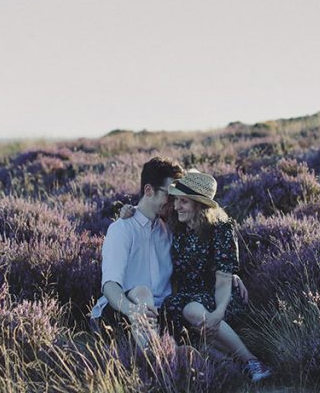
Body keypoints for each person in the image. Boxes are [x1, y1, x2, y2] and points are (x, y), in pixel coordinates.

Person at [118, 169, 272, 383]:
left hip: (218, 297)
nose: (177, 206)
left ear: (200, 206)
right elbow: (145, 210)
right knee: (182, 324)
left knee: (193, 311)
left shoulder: (221, 229)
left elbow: (223, 279)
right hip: (184, 298)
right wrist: (128, 210)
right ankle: (232, 367)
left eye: (184, 202)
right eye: (176, 200)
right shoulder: (176, 223)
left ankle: (253, 361)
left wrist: (219, 311)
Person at [89, 157, 184, 346]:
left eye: (177, 196)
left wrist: (229, 274)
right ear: (149, 190)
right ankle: (157, 359)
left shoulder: (170, 230)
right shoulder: (122, 229)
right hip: (121, 310)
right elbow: (110, 286)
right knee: (142, 292)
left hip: (159, 313)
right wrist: (133, 311)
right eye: (169, 195)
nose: (174, 202)